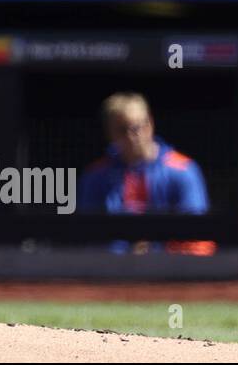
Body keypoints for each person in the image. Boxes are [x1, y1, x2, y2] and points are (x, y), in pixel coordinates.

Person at [80, 92, 213, 254]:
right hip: (111, 272)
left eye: (136, 127)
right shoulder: (96, 176)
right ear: (110, 133)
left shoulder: (183, 170)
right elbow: (86, 240)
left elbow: (198, 238)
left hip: (170, 271)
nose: (131, 136)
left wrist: (155, 251)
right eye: (122, 130)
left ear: (149, 123)